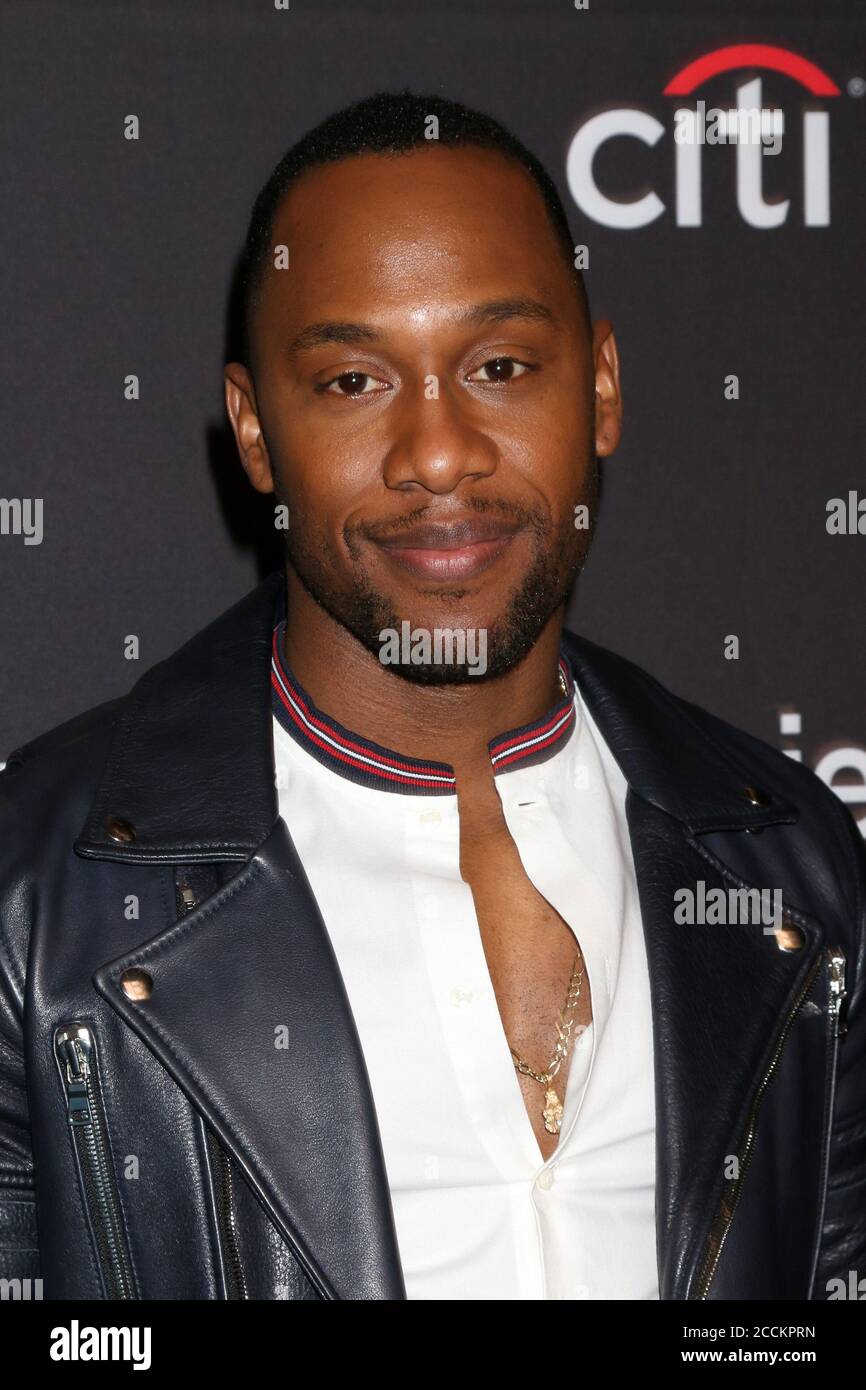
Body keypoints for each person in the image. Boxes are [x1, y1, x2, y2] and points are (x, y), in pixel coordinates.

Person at [1, 91, 862, 1302]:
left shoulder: (788, 863)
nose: (438, 453)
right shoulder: (42, 897)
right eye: (354, 381)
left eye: (500, 366)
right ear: (254, 434)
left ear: (600, 389)